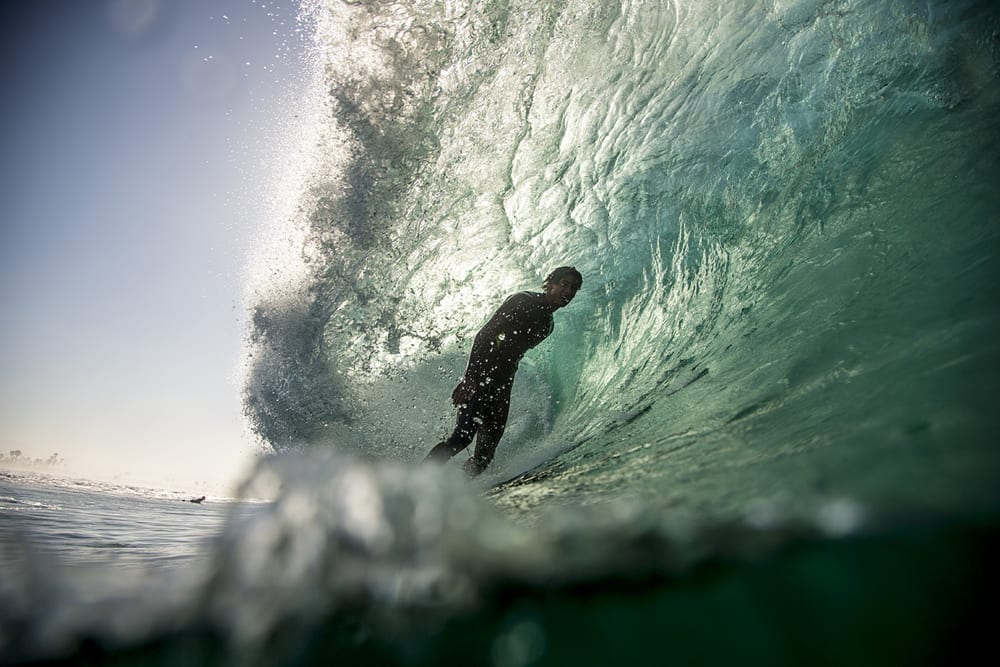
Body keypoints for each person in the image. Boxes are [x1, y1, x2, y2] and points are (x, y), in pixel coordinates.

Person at [425, 266, 583, 476]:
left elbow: (513, 355)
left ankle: (456, 488)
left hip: (502, 386)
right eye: (564, 284)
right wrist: (470, 378)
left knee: (484, 456)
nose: (568, 292)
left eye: (574, 288)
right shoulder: (523, 300)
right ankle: (418, 480)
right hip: (481, 377)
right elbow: (484, 335)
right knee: (461, 439)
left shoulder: (548, 324)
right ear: (550, 283)